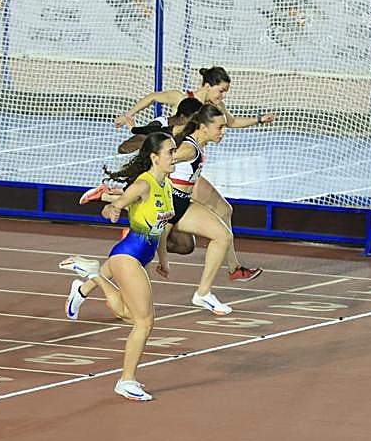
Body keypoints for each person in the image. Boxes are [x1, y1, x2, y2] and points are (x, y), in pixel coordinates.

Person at [105, 66, 275, 281]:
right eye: (221, 90)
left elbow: (232, 123)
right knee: (215, 214)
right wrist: (129, 116)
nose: (223, 96)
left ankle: (232, 268)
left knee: (194, 237)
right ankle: (231, 269)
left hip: (189, 169)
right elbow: (153, 97)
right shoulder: (183, 99)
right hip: (175, 171)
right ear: (207, 85)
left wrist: (259, 119)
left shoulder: (216, 108)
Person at [75, 104, 237, 314]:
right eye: (220, 127)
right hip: (171, 203)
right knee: (138, 253)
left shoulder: (196, 143)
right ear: (204, 127)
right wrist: (134, 184)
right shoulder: (188, 149)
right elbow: (159, 163)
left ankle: (203, 293)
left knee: (221, 236)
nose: (224, 131)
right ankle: (109, 196)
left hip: (182, 203)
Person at [63, 132, 176, 402]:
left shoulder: (167, 186)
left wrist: (163, 259)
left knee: (127, 314)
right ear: (154, 157)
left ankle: (93, 276)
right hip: (127, 257)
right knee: (145, 322)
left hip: (142, 257)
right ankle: (127, 380)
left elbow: (160, 228)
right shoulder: (144, 184)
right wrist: (111, 210)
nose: (174, 156)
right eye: (170, 152)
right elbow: (116, 205)